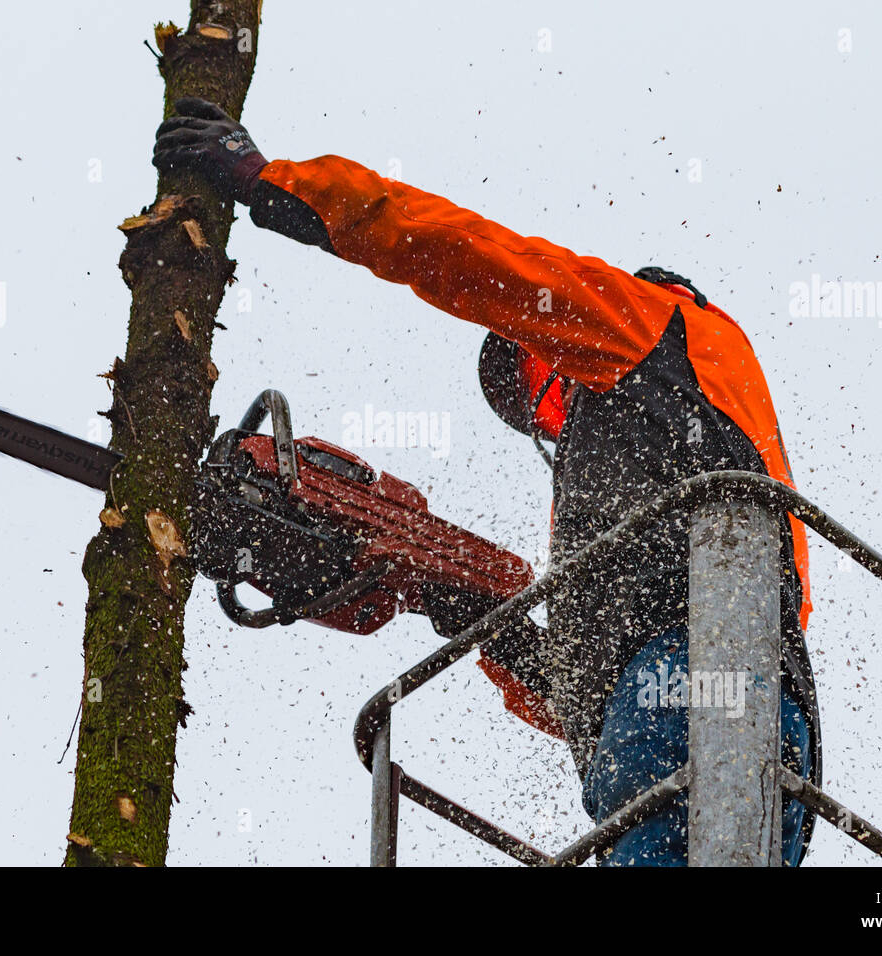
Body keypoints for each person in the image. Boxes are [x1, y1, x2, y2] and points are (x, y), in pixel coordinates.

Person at [153, 98, 821, 866]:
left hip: (691, 687)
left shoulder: (652, 323)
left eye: (538, 377)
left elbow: (472, 254)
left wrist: (278, 185)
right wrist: (467, 605)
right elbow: (584, 700)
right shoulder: (709, 461)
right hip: (727, 726)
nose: (550, 415)